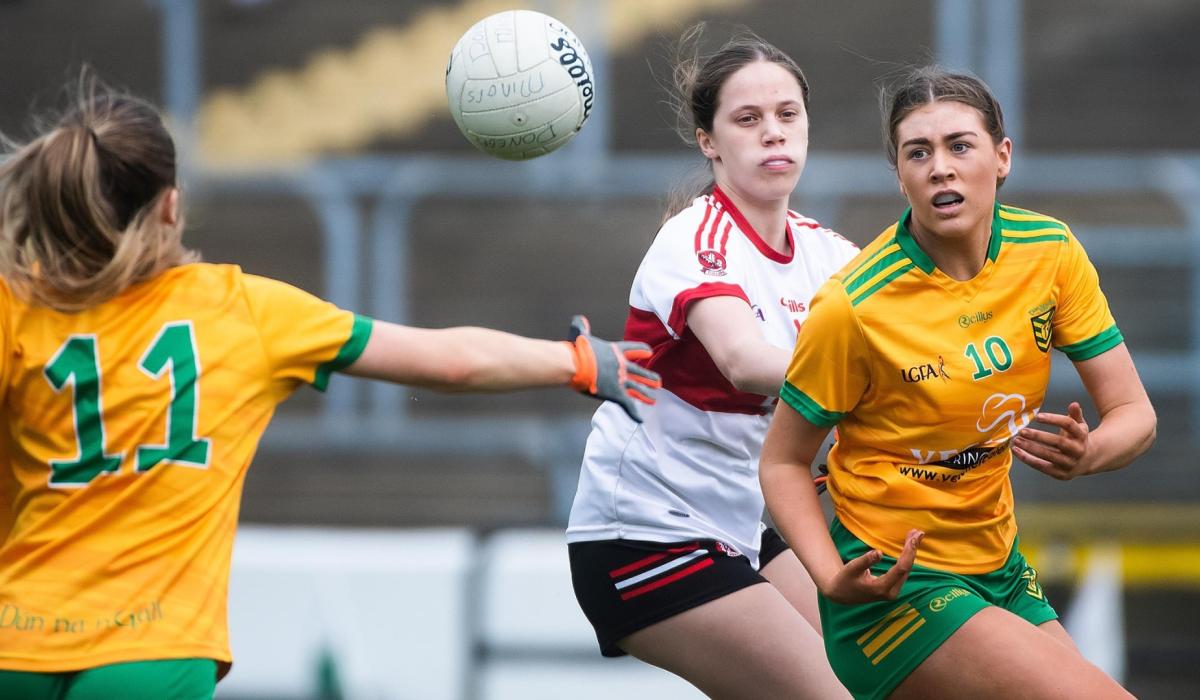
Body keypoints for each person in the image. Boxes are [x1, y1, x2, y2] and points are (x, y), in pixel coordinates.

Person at [0, 76, 660, 699]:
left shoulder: (14, 305)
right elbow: (448, 360)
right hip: (147, 650)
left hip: (14, 638)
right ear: (170, 205)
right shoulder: (243, 311)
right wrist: (578, 362)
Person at [759, 66, 1157, 700]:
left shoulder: (1049, 253)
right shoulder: (853, 307)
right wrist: (830, 577)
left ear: (1002, 157)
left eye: (959, 146)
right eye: (919, 153)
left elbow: (1135, 412)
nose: (939, 167)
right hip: (898, 585)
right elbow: (782, 462)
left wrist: (1093, 453)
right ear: (900, 175)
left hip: (999, 568)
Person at [565, 26, 859, 699]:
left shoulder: (831, 255)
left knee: (883, 677)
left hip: (733, 528)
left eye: (788, 115)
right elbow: (744, 360)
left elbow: (917, 345)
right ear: (709, 141)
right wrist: (873, 384)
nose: (773, 133)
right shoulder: (692, 238)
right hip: (642, 536)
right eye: (748, 119)